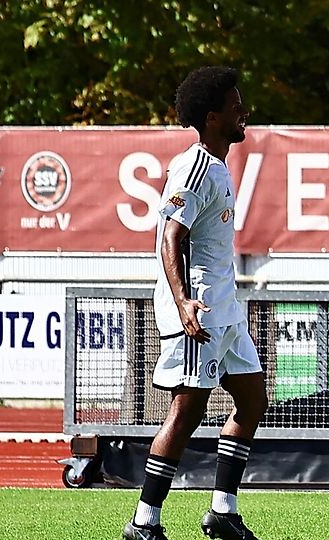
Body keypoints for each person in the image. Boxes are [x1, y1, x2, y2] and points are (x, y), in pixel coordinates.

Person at [123, 66, 267, 540]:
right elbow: (171, 236)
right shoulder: (196, 166)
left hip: (226, 311)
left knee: (253, 400)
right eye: (236, 106)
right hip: (200, 313)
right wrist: (184, 301)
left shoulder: (218, 165)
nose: (244, 112)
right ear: (212, 118)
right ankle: (144, 521)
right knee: (186, 413)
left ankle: (222, 512)